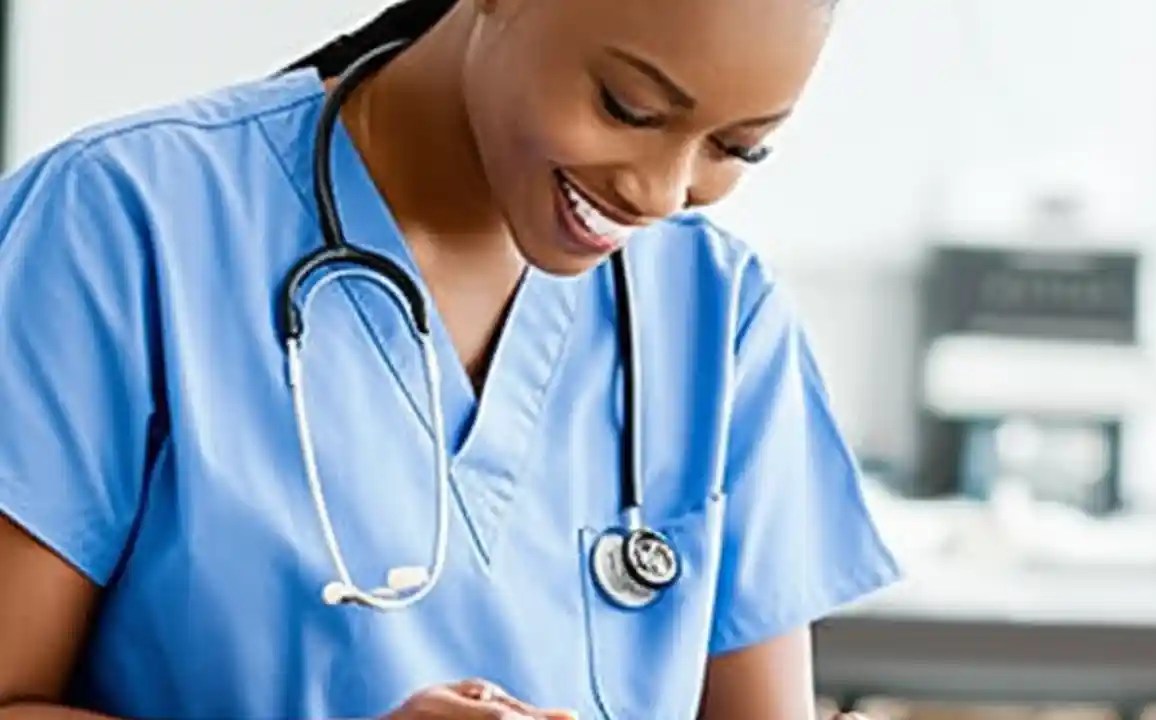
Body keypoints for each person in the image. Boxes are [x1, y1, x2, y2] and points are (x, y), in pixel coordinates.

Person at [0, 0, 898, 718]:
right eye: (628, 107)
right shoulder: (121, 223)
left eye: (738, 148)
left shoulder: (720, 315)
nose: (659, 192)